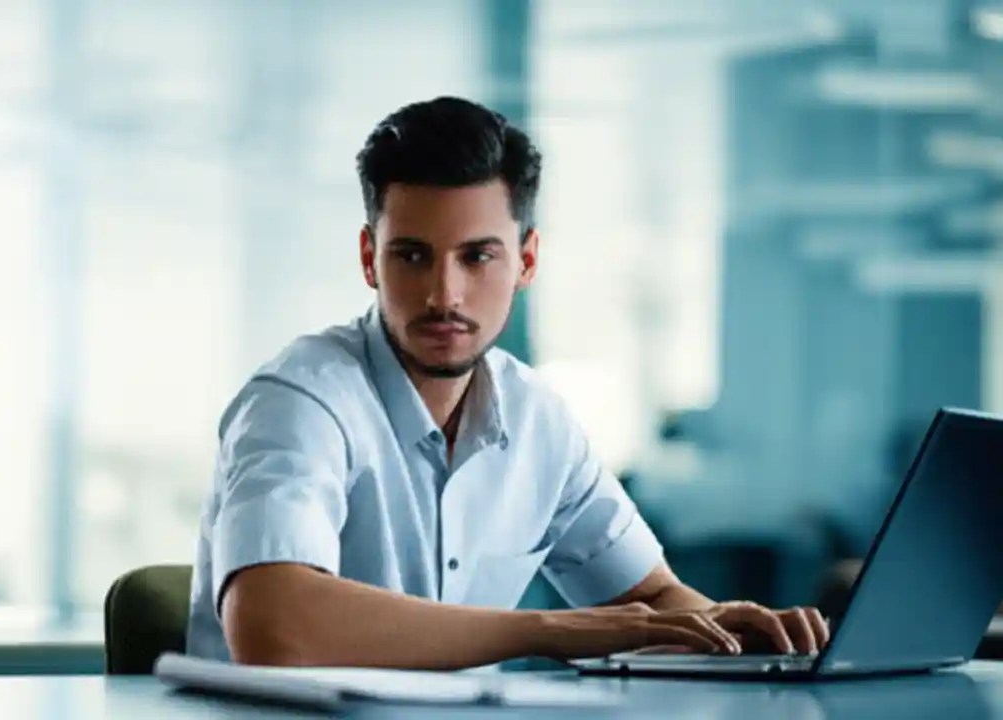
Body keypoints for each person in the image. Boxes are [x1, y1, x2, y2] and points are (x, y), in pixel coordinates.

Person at [184, 96, 829, 668]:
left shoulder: (536, 417)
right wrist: (547, 630)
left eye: (477, 256)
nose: (445, 294)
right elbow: (273, 630)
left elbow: (650, 600)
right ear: (367, 258)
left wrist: (738, 637)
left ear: (525, 260)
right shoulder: (302, 399)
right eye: (411, 255)